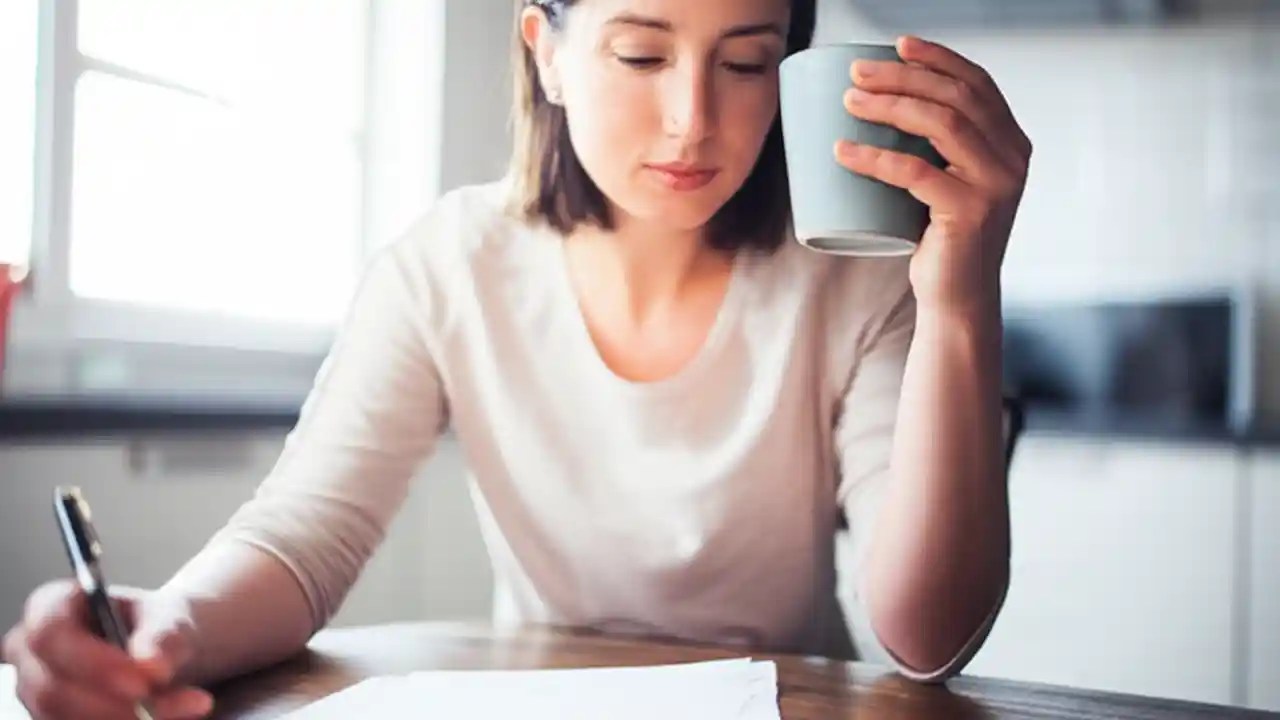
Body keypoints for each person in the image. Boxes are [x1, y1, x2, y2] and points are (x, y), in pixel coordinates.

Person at [2, 0, 1033, 717]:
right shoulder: (451, 261)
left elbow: (925, 641)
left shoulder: (848, 282)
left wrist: (956, 298)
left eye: (745, 61)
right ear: (545, 50)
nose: (693, 120)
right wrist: (162, 626)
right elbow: (305, 534)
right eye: (639, 56)